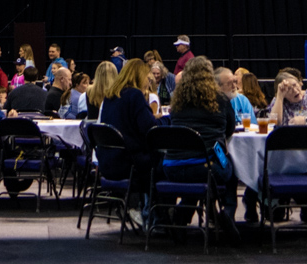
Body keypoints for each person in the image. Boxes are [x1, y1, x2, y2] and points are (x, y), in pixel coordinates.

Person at [166, 57, 238, 230]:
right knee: (231, 169)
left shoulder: (177, 102)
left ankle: (182, 215)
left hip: (172, 167)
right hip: (207, 167)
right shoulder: (220, 99)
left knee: (197, 173)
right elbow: (229, 129)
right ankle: (227, 212)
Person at [99, 58, 160, 227]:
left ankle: (149, 212)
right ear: (139, 76)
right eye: (147, 78)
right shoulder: (134, 95)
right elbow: (150, 129)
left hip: (107, 163)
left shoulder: (110, 96)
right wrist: (166, 121)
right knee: (164, 165)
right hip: (129, 165)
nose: (149, 83)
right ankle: (157, 217)